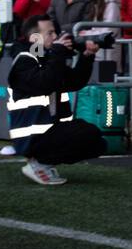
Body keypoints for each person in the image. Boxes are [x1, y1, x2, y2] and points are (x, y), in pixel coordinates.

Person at [7, 15, 104, 186]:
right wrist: (58, 53)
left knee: (97, 142)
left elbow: (74, 82)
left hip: (47, 131)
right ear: (34, 38)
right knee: (86, 134)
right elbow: (45, 82)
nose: (55, 37)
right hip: (31, 136)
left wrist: (87, 56)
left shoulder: (48, 58)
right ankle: (39, 163)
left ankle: (43, 162)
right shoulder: (24, 60)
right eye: (50, 33)